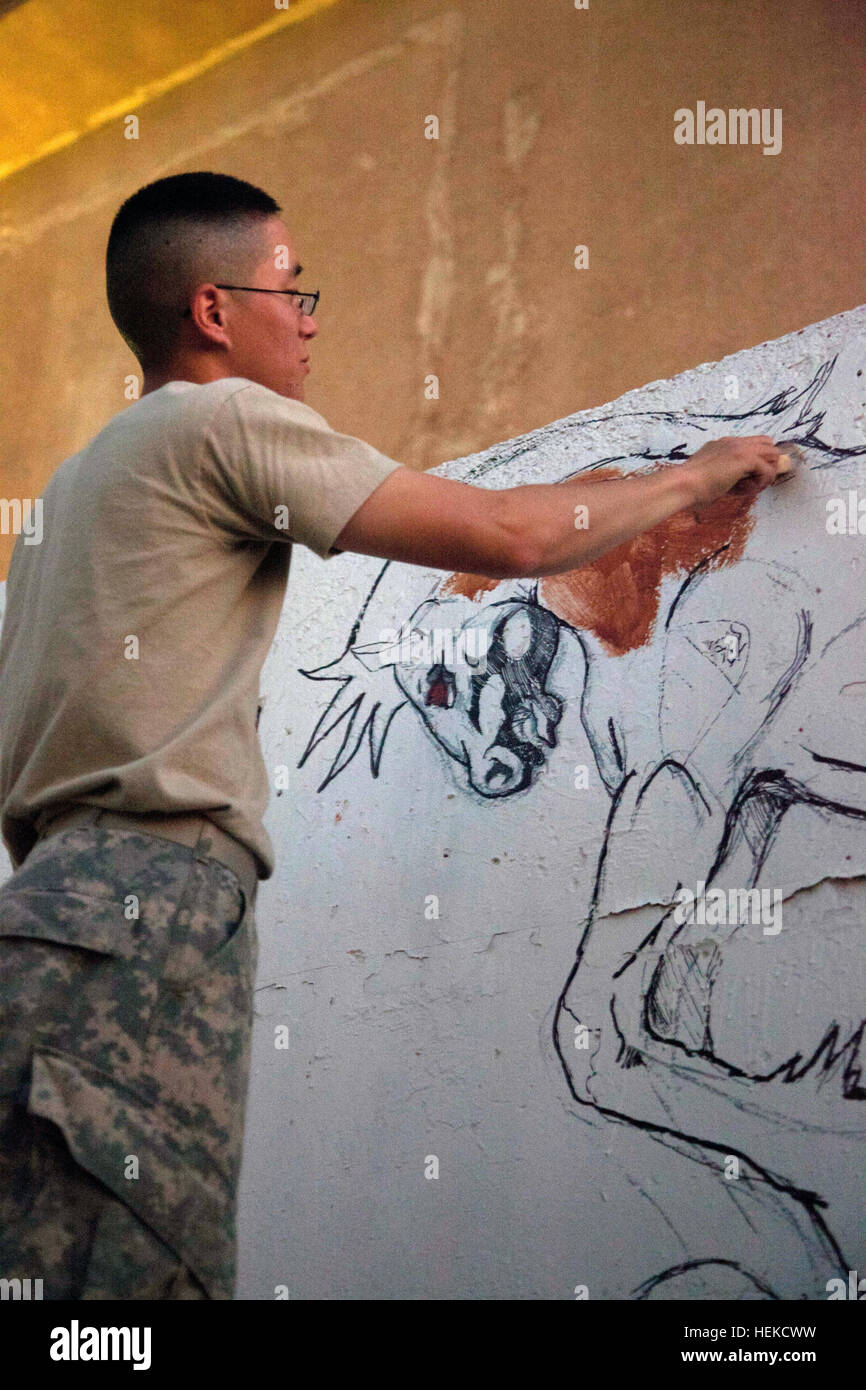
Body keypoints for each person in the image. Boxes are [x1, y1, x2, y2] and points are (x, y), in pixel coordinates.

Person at [0, 170, 790, 1300]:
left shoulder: (71, 493)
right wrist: (696, 474)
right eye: (292, 286)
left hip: (45, 928)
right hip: (142, 913)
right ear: (214, 312)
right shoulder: (226, 421)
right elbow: (506, 534)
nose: (311, 317)